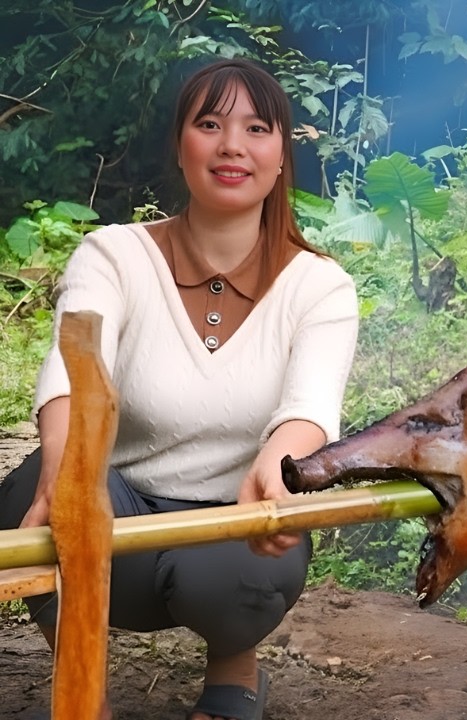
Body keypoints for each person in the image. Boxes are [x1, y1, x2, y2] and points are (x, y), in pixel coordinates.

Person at [0, 58, 359, 720]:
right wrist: (64, 477)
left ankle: (234, 670)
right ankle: (83, 687)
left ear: (282, 156)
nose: (231, 145)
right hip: (119, 498)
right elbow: (72, 370)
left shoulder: (321, 286)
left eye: (256, 128)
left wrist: (279, 470)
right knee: (34, 499)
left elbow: (309, 410)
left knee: (237, 576)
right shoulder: (113, 256)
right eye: (210, 124)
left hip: (230, 519)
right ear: (181, 144)